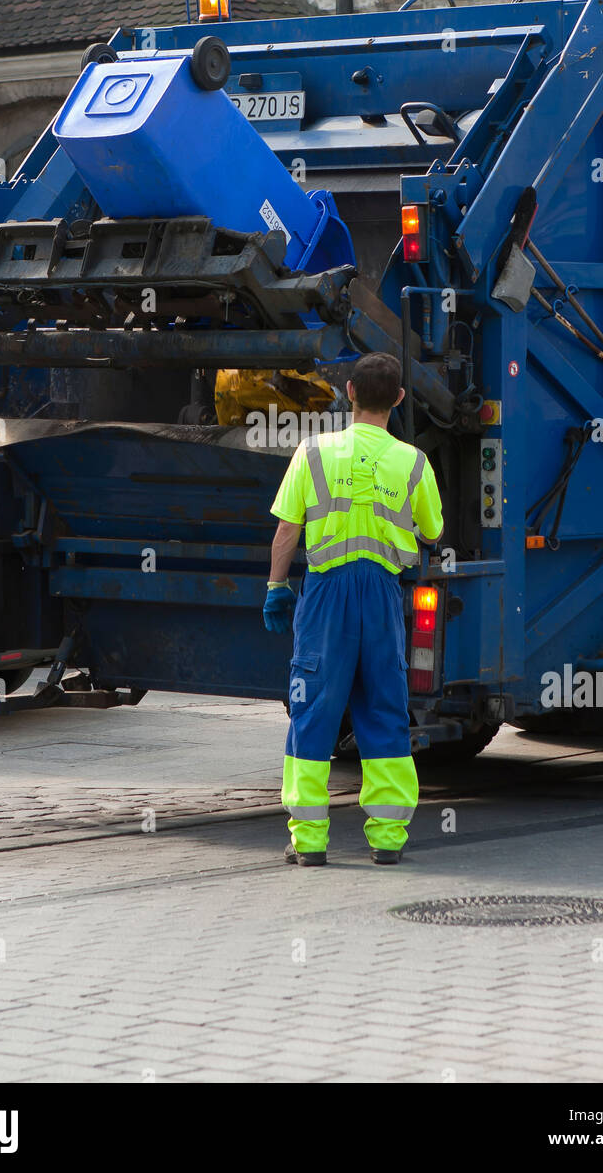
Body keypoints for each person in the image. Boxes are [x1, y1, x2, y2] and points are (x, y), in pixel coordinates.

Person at [263, 351, 443, 867]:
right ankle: (388, 841)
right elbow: (432, 532)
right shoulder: (413, 462)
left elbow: (286, 531)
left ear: (348, 392)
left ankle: (310, 842)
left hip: (326, 594)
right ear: (400, 399)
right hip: (382, 594)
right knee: (384, 708)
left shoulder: (313, 453)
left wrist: (277, 587)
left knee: (313, 710)